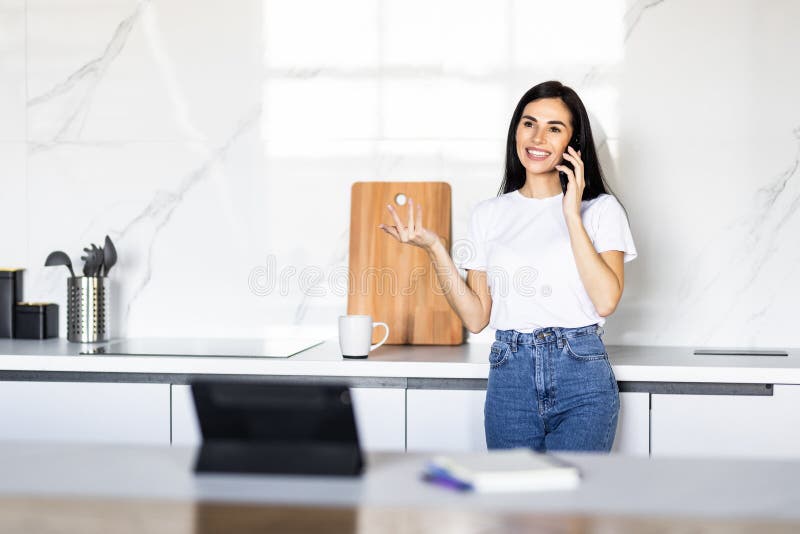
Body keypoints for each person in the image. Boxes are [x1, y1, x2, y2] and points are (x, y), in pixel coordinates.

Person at [378, 80, 637, 452]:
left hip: (582, 375)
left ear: (573, 142)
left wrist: (571, 214)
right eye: (529, 123)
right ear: (516, 130)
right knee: (511, 503)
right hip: (510, 375)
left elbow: (606, 301)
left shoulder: (600, 210)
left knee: (571, 506)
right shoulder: (489, 214)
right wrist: (435, 248)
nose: (538, 137)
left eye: (554, 128)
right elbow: (476, 317)